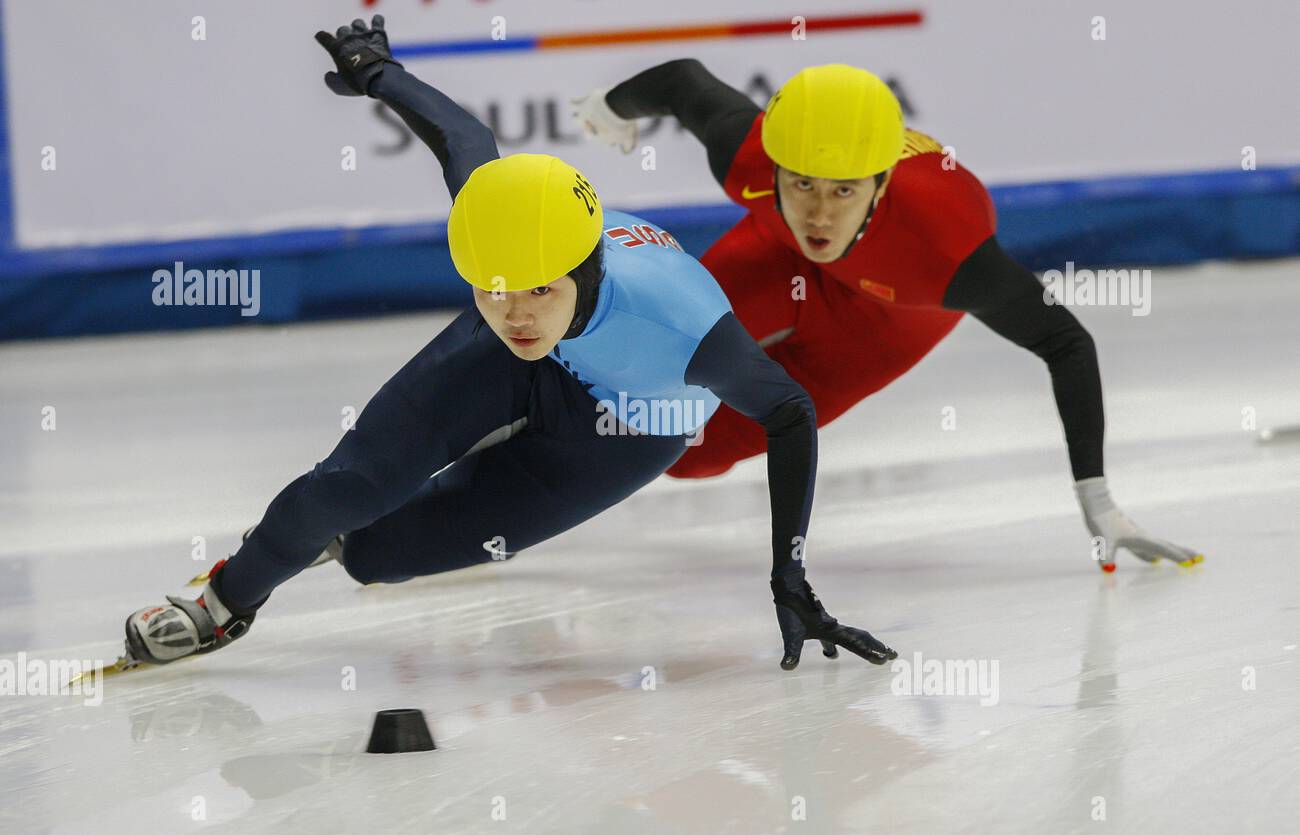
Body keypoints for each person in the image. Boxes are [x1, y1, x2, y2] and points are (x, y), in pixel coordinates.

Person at [119, 17, 897, 675]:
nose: (515, 312)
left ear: (585, 270)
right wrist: (378, 70)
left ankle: (344, 542)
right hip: (523, 366)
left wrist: (788, 574)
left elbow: (789, 410)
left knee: (375, 554)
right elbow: (463, 136)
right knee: (348, 485)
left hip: (626, 427)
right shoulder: (508, 249)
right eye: (492, 288)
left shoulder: (680, 326)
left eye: (536, 291)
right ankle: (225, 602)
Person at [573, 61, 1203, 573]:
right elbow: (683, 81)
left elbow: (1066, 342)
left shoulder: (948, 252)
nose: (820, 214)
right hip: (777, 253)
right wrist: (608, 108)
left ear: (881, 184)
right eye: (803, 185)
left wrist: (1097, 495)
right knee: (656, 349)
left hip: (887, 319)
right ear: (776, 170)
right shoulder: (748, 160)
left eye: (844, 190)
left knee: (687, 452)